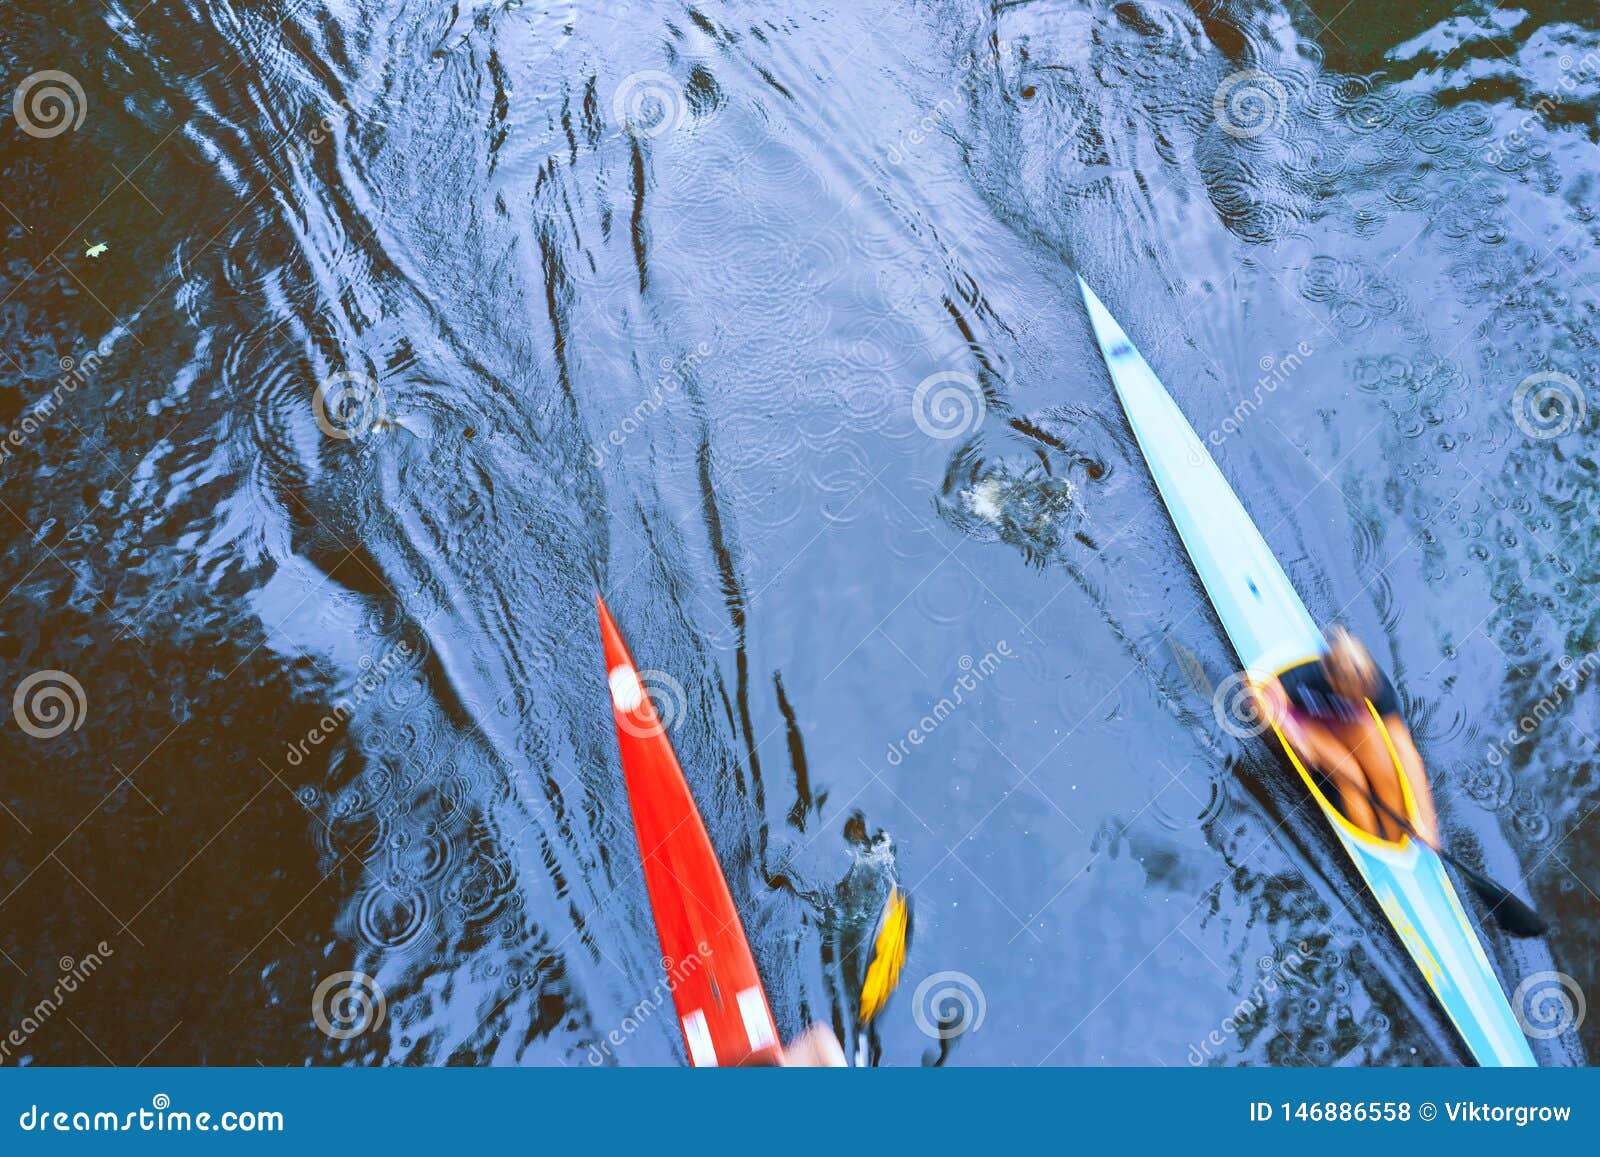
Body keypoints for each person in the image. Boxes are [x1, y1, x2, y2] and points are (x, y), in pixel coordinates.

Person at [1251, 626, 1438, 845]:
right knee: (1351, 774)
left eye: (1362, 695)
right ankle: (1371, 840)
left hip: (1343, 720)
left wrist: (1425, 821)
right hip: (1305, 720)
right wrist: (1294, 736)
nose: (1359, 697)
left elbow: (1406, 751)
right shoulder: (1311, 675)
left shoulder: (1377, 687)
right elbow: (1259, 693)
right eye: (1352, 693)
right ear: (1332, 679)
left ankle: (1395, 837)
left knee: (1387, 775)